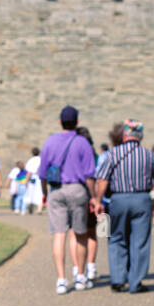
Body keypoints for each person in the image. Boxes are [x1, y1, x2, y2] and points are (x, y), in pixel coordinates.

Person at [93, 120, 154, 292]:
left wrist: (98, 200)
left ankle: (118, 279)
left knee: (116, 238)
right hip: (142, 199)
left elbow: (102, 179)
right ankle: (135, 281)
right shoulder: (149, 155)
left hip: (117, 200)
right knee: (140, 241)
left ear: (125, 135)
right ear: (141, 136)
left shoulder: (112, 154)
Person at [38, 106, 97, 294]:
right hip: (78, 190)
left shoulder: (49, 142)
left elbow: (42, 173)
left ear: (59, 121)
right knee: (80, 234)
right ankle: (80, 276)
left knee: (59, 234)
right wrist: (94, 197)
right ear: (77, 122)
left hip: (56, 190)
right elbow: (89, 175)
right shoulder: (82, 143)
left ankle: (61, 280)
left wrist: (44, 193)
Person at [72, 127, 99, 288]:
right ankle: (90, 267)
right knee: (92, 233)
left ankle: (77, 268)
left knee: (74, 235)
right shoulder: (93, 154)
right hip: (90, 195)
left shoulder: (72, 151)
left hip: (75, 194)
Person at [23, 146, 43, 214]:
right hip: (40, 178)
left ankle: (30, 208)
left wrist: (26, 180)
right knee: (39, 193)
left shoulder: (31, 161)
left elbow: (29, 172)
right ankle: (39, 209)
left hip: (33, 178)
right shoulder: (41, 159)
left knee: (31, 193)